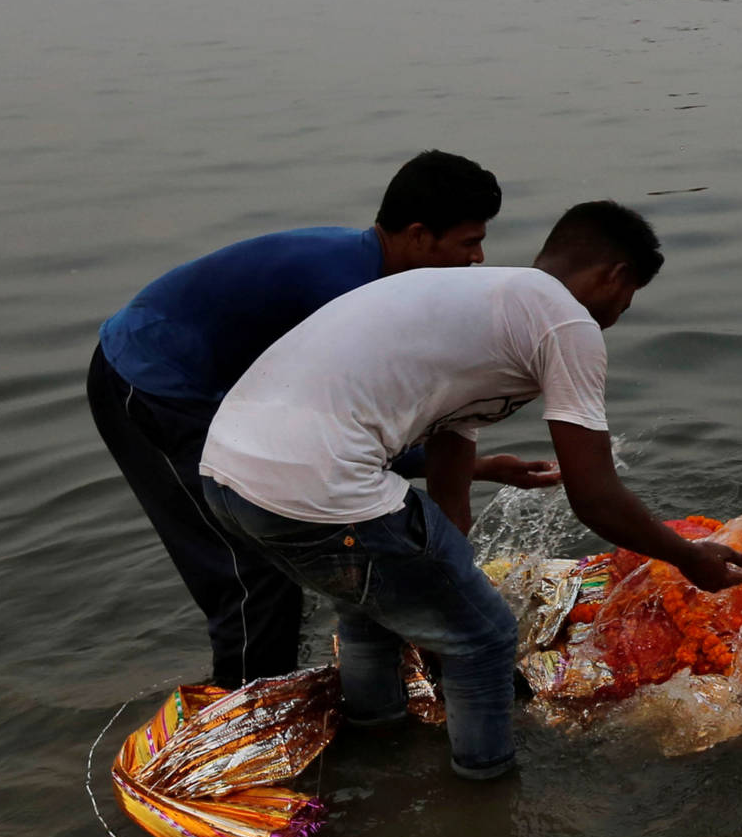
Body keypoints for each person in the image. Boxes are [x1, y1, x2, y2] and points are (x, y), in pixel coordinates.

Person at [198, 201, 742, 780]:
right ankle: (486, 798)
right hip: (316, 486)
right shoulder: (565, 322)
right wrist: (688, 557)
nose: (621, 312)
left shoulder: (476, 301)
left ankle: (380, 754)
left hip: (225, 476)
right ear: (614, 276)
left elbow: (449, 467)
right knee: (485, 638)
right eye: (629, 296)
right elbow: (594, 496)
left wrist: (446, 569)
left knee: (372, 607)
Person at [86, 152, 553, 690]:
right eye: (469, 243)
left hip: (212, 390)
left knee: (297, 552)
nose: (480, 258)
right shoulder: (347, 295)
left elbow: (352, 437)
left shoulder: (375, 276)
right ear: (420, 235)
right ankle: (247, 727)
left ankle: (294, 692)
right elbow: (338, 438)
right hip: (151, 384)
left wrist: (481, 466)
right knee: (247, 575)